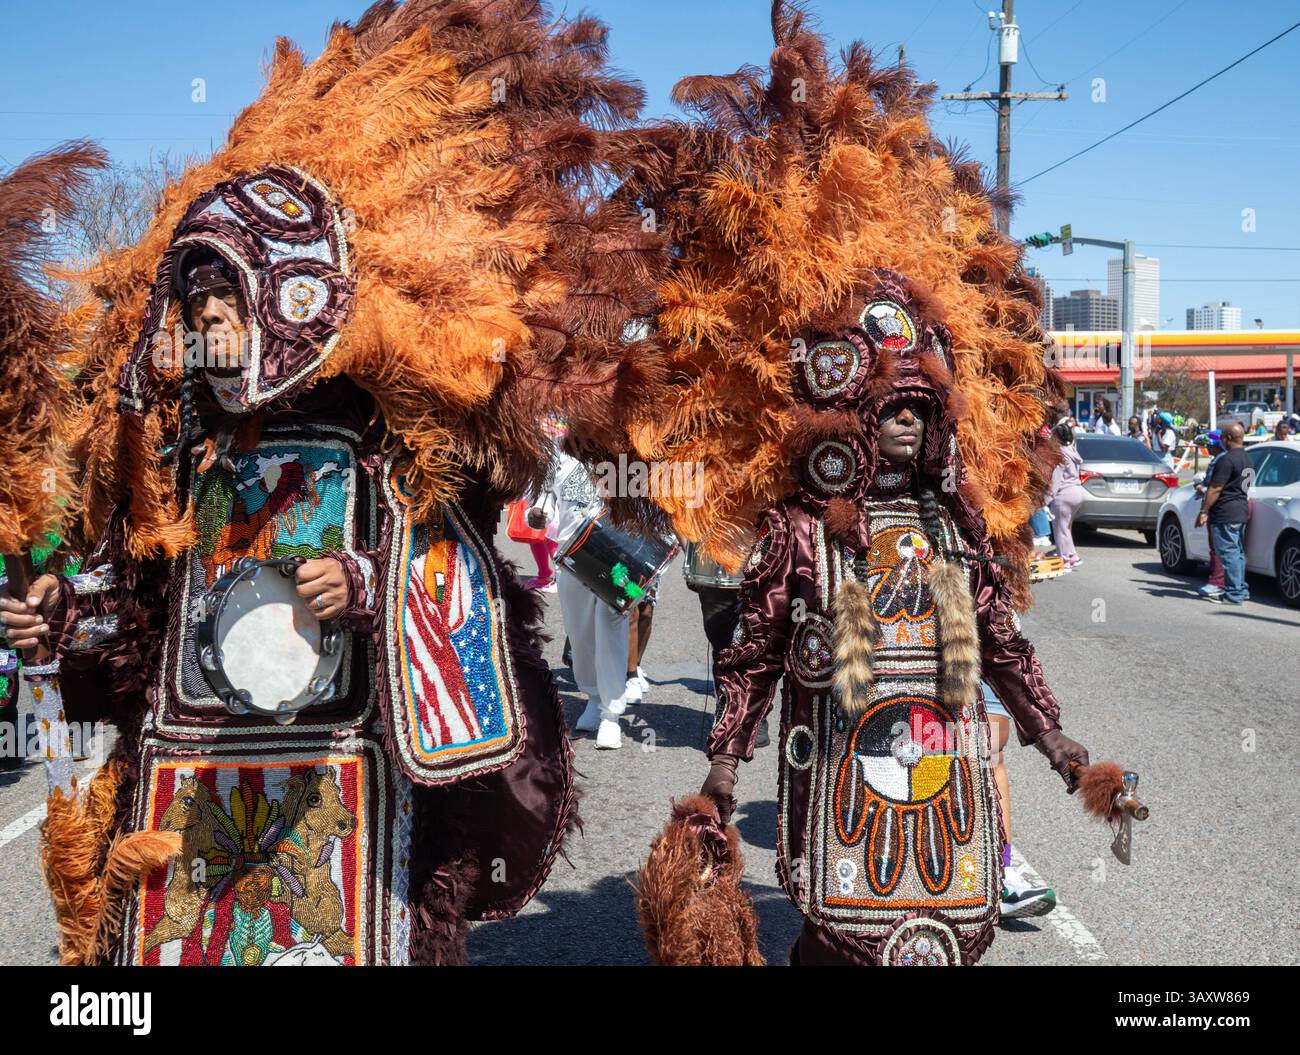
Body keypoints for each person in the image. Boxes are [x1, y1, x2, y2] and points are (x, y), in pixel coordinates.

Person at [0, 1, 663, 966]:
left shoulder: (385, 436)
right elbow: (140, 622)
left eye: (228, 291)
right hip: (196, 779)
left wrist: (364, 587)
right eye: (197, 297)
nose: (212, 313)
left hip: (347, 780)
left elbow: (466, 589)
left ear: (283, 294)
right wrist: (60, 621)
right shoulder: (176, 446)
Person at [627, 13, 1090, 965]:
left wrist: (1058, 743)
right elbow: (752, 654)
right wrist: (722, 767)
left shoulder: (955, 530)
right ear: (847, 418)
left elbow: (1001, 637)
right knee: (833, 948)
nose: (907, 425)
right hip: (835, 793)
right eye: (889, 410)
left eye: (922, 410)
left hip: (946, 810)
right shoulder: (803, 531)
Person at [538, 448, 633, 749]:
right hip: (572, 557)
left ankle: (611, 714)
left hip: (618, 558)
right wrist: (538, 516)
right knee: (578, 634)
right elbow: (545, 503)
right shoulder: (557, 459)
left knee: (611, 626)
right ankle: (593, 696)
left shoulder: (625, 454)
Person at [983, 682, 1057, 918]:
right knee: (929, 748)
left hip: (974, 658)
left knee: (990, 752)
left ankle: (1002, 875)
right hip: (905, 659)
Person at [1196, 422, 1253, 605]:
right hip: (1241, 509)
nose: (1221, 440)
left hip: (1225, 512)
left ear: (1228, 438)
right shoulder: (1248, 459)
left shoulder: (1226, 460)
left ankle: (1234, 594)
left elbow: (1215, 488)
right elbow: (1245, 486)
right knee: (1237, 554)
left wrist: (1204, 510)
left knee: (1228, 555)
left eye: (1222, 437)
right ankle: (1241, 590)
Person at [1047, 422, 1086, 571]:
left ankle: (1064, 560)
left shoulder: (1060, 455)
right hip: (1077, 491)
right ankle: (1072, 555)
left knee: (1060, 528)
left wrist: (1047, 499)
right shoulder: (1072, 451)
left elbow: (1056, 480)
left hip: (1064, 494)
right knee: (1066, 527)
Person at [1196, 431, 1227, 599]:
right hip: (1227, 508)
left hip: (1219, 508)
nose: (1207, 447)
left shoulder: (1221, 460)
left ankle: (1217, 583)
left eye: (1209, 443)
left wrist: (1204, 509)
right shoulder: (1223, 459)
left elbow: (1215, 487)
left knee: (1217, 548)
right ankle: (1234, 585)